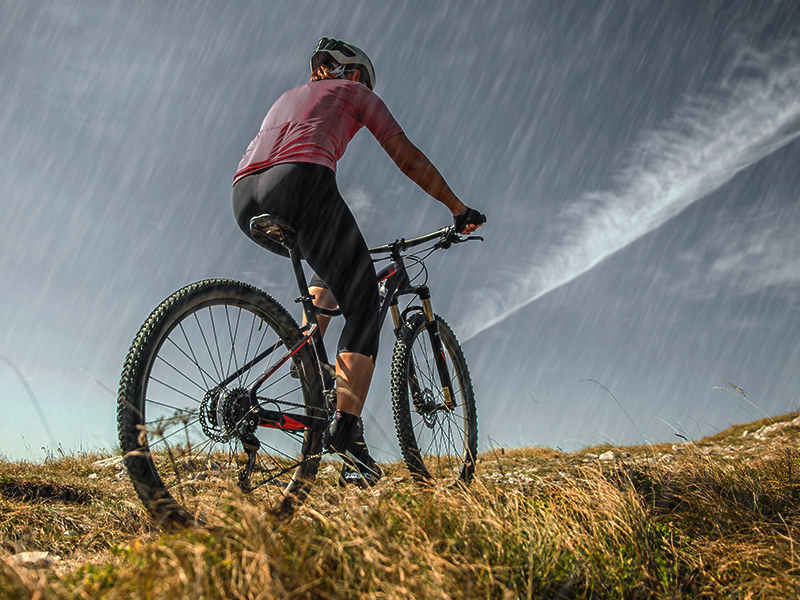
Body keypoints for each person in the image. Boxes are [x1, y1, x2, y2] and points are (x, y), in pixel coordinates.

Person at [232, 37, 486, 488]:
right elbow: (406, 156)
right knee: (365, 304)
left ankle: (311, 354)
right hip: (300, 180)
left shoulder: (289, 96)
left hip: (244, 194)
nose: (365, 87)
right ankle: (345, 430)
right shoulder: (357, 93)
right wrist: (457, 208)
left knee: (332, 268)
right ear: (355, 74)